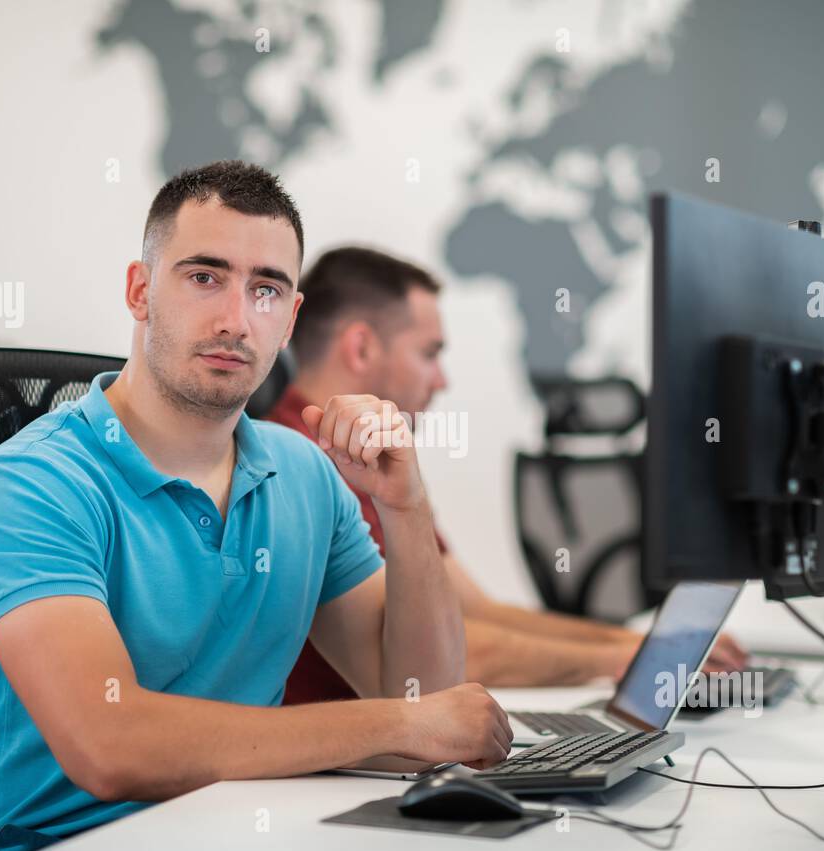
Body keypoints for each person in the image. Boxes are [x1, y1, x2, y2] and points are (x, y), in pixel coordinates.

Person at [0, 162, 511, 851]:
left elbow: (421, 694)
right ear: (141, 290)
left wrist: (406, 504)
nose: (235, 321)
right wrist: (402, 724)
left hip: (244, 841)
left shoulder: (304, 475)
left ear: (291, 318)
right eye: (204, 277)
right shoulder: (33, 484)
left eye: (266, 290)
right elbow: (110, 745)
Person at [266, 246, 748, 703]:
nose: (442, 380)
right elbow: (450, 655)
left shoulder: (368, 462)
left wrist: (643, 642)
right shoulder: (301, 465)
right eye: (429, 354)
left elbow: (476, 613)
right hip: (326, 778)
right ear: (362, 348)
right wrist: (624, 656)